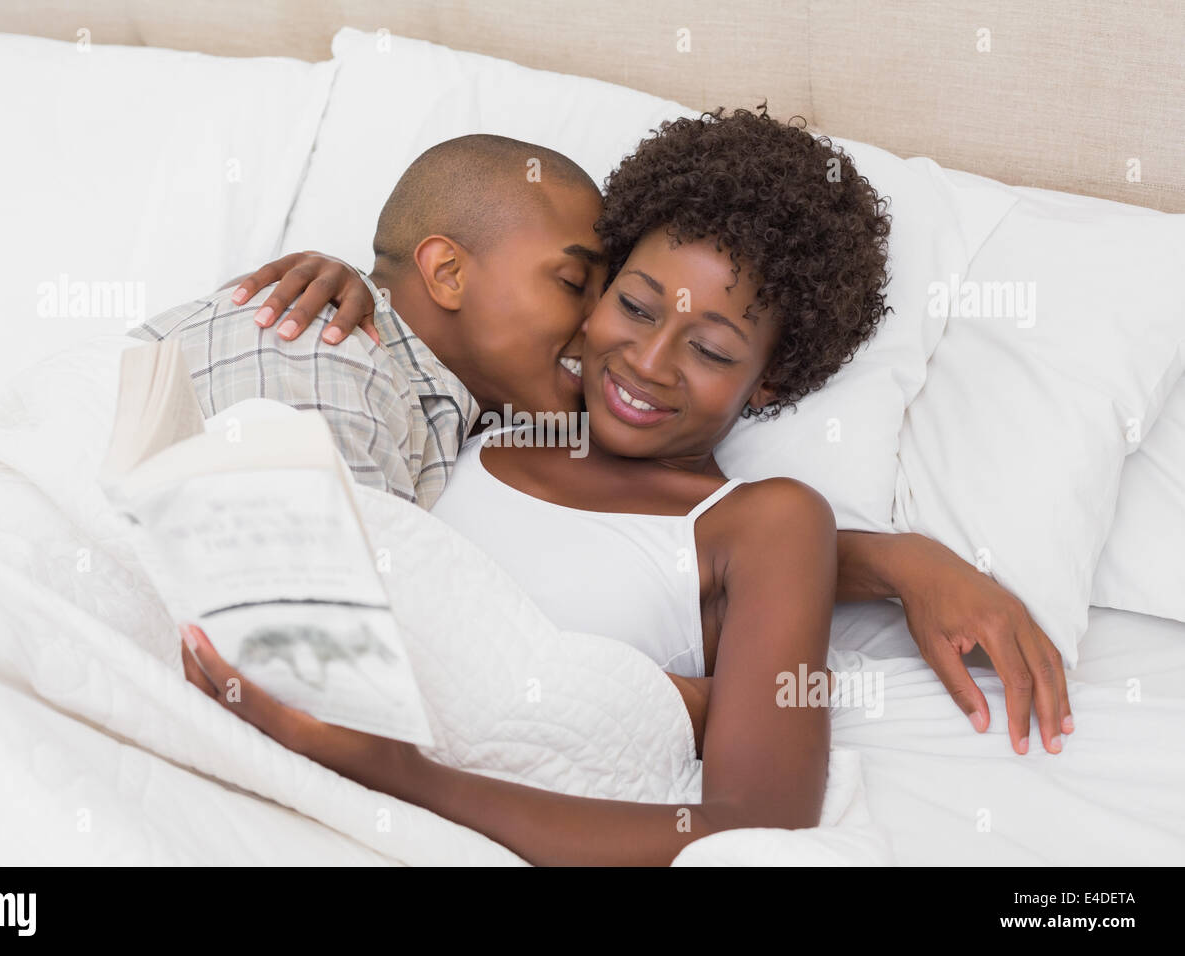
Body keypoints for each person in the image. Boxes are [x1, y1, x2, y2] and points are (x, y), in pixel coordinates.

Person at [179, 109, 1068, 865]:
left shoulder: (769, 523)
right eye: (634, 307)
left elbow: (750, 829)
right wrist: (356, 285)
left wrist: (398, 775)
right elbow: (403, 379)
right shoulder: (509, 411)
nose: (646, 362)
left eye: (714, 350)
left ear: (770, 383)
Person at [132, 134, 606, 508]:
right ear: (448, 273)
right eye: (572, 282)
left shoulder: (456, 408)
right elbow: (316, 609)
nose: (600, 324)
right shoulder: (323, 352)